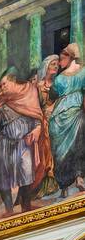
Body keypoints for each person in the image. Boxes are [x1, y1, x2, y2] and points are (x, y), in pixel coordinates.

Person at [0, 70, 46, 215]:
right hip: (3, 146)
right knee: (4, 180)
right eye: (0, 86)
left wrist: (37, 129)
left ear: (14, 82)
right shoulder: (0, 105)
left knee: (26, 176)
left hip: (23, 144)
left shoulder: (29, 97)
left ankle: (26, 207)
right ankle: (9, 210)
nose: (1, 88)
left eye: (3, 84)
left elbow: (36, 117)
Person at [48, 43, 85, 197]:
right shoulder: (65, 77)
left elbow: (52, 95)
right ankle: (66, 184)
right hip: (61, 117)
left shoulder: (64, 78)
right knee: (62, 150)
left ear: (69, 57)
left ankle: (77, 178)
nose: (60, 62)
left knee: (74, 146)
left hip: (71, 113)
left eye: (62, 59)